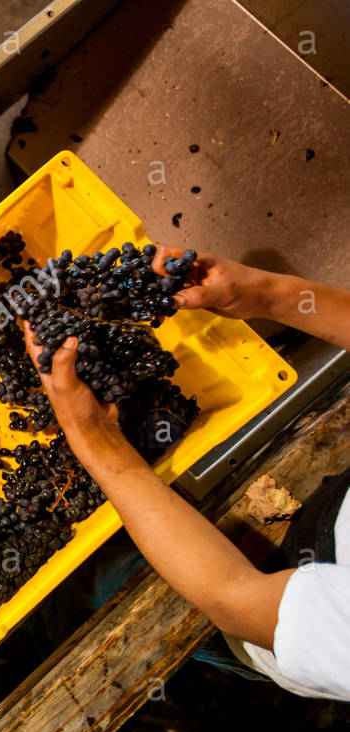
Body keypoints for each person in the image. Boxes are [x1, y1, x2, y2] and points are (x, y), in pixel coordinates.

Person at [25, 244, 350, 701]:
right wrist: (267, 294)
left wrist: (95, 439)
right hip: (328, 524)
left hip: (262, 614)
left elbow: (234, 599)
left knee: (108, 589)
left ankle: (54, 618)